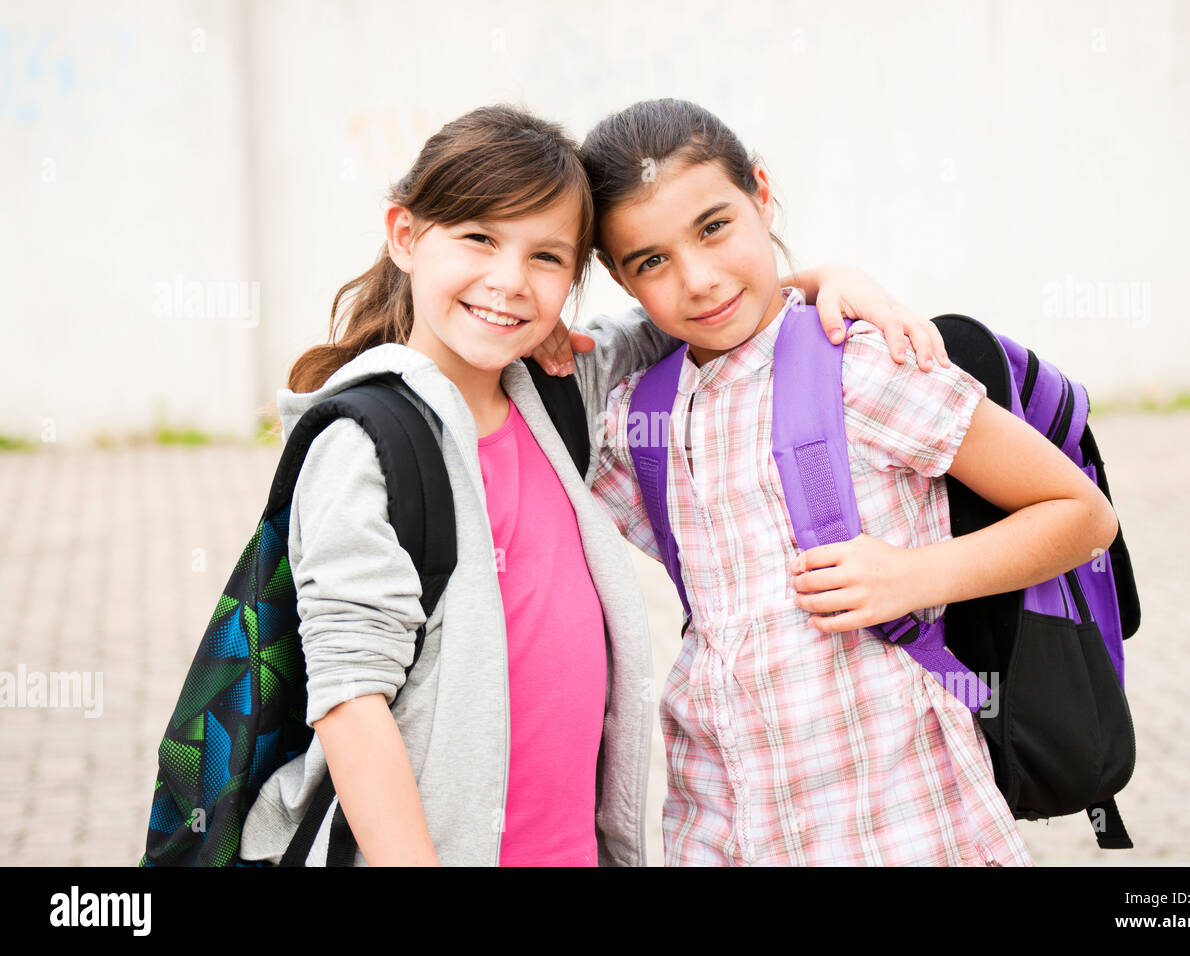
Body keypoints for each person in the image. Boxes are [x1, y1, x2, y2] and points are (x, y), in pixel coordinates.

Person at [236, 103, 938, 867]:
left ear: (578, 277)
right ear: (406, 236)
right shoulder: (365, 444)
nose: (508, 281)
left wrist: (828, 277)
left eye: (546, 257)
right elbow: (350, 701)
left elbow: (707, 306)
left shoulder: (569, 391)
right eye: (478, 238)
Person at [582, 98, 1120, 866]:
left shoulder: (862, 364)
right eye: (651, 261)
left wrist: (914, 576)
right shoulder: (639, 417)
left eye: (714, 226)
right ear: (617, 275)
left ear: (762, 195)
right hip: (723, 814)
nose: (698, 280)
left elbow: (1079, 512)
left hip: (901, 813)